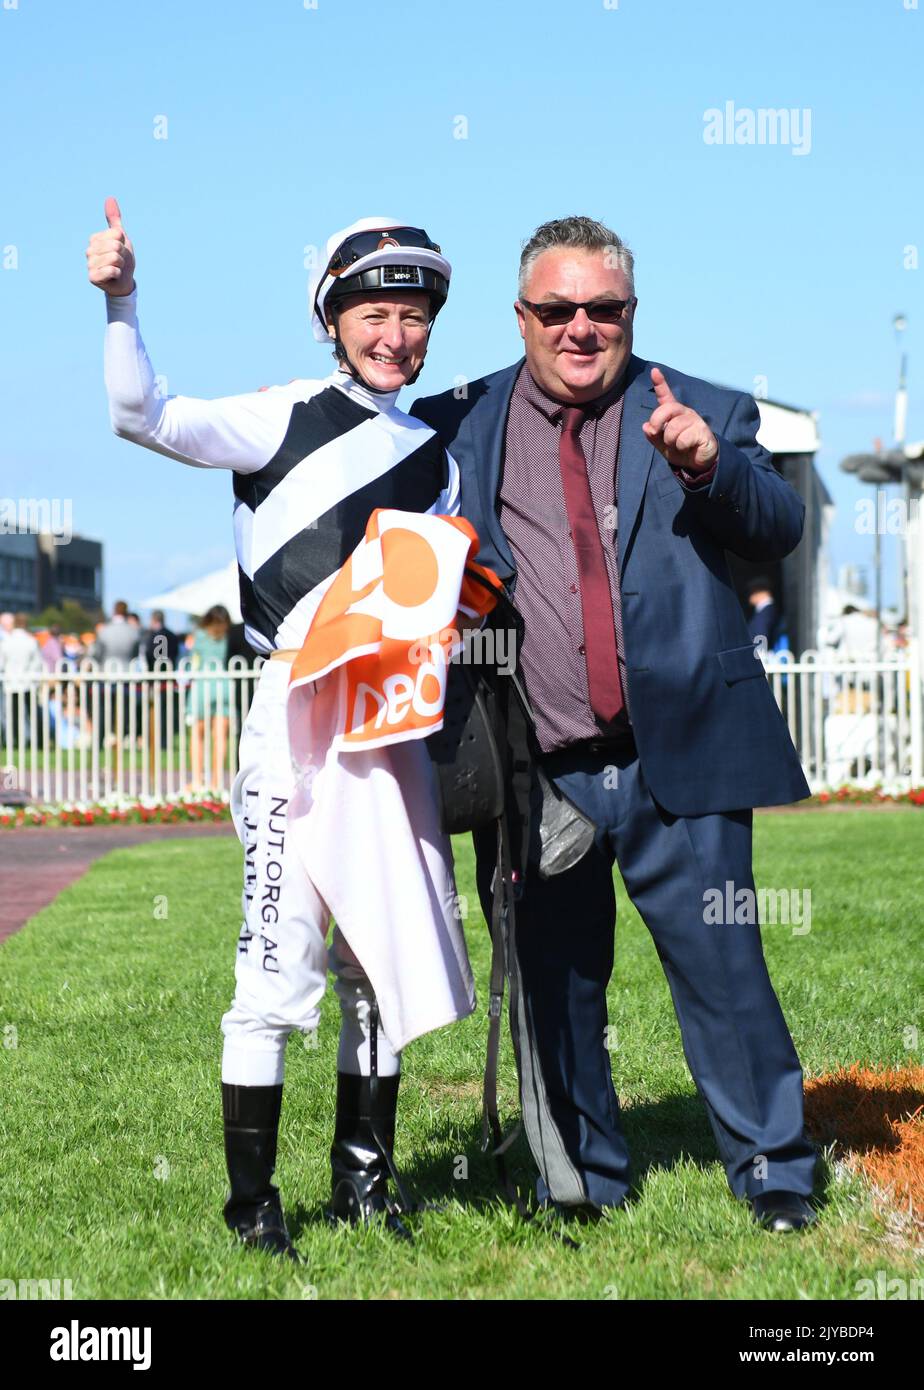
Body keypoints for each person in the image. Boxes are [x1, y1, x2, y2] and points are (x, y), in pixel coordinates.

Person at [412, 215, 817, 1233]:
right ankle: (585, 1176)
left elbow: (778, 526)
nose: (582, 327)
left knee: (726, 974)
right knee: (553, 981)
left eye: (605, 309)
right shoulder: (450, 424)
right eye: (559, 309)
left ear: (633, 312)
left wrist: (708, 465)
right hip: (530, 762)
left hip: (682, 751)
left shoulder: (707, 406)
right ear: (522, 317)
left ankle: (773, 1168)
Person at [88, 198, 474, 1258]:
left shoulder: (438, 459)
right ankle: (254, 1209)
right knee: (275, 972)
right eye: (376, 313)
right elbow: (143, 415)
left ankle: (363, 1187)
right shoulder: (281, 414)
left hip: (391, 732)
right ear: (333, 316)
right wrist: (121, 298)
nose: (397, 335)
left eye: (415, 316)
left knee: (380, 968)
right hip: (293, 725)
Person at [189, 604, 232, 789]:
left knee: (197, 734)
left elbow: (194, 661)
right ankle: (216, 781)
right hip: (223, 684)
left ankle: (198, 779)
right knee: (220, 736)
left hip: (203, 684)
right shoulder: (227, 636)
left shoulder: (199, 636)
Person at [746, 577, 781, 650]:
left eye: (752, 593)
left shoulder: (766, 612)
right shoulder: (765, 611)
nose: (750, 597)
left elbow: (761, 635)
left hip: (762, 655)